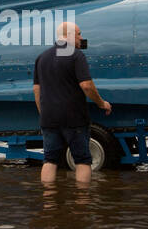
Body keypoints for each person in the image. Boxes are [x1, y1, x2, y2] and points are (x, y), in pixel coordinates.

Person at [32, 21, 111, 184]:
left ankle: (49, 202)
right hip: (74, 118)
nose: (81, 38)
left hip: (49, 118)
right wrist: (101, 103)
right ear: (68, 35)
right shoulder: (76, 55)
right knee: (82, 160)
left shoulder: (42, 57)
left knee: (50, 160)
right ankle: (82, 203)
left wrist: (43, 112)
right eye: (79, 34)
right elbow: (87, 86)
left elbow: (36, 90)